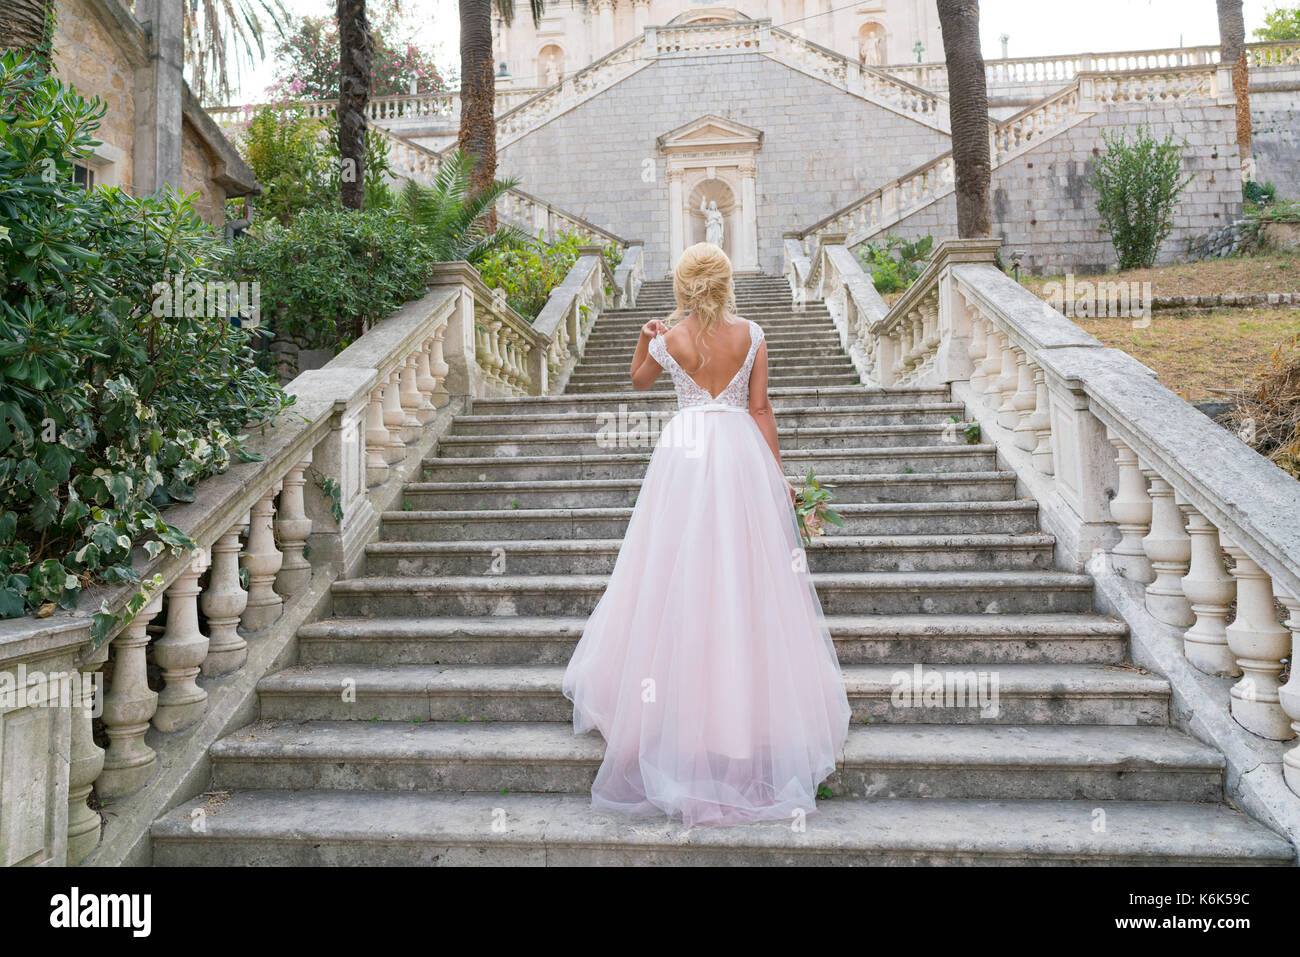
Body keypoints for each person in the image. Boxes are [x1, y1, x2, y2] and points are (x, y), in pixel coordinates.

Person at [561, 242, 851, 827]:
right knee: (744, 579)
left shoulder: (670, 339)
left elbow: (639, 382)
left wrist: (647, 339)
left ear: (683, 284)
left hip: (685, 457)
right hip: (741, 453)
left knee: (676, 574)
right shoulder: (753, 333)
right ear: (724, 281)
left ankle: (672, 709)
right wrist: (779, 479)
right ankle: (744, 715)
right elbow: (761, 409)